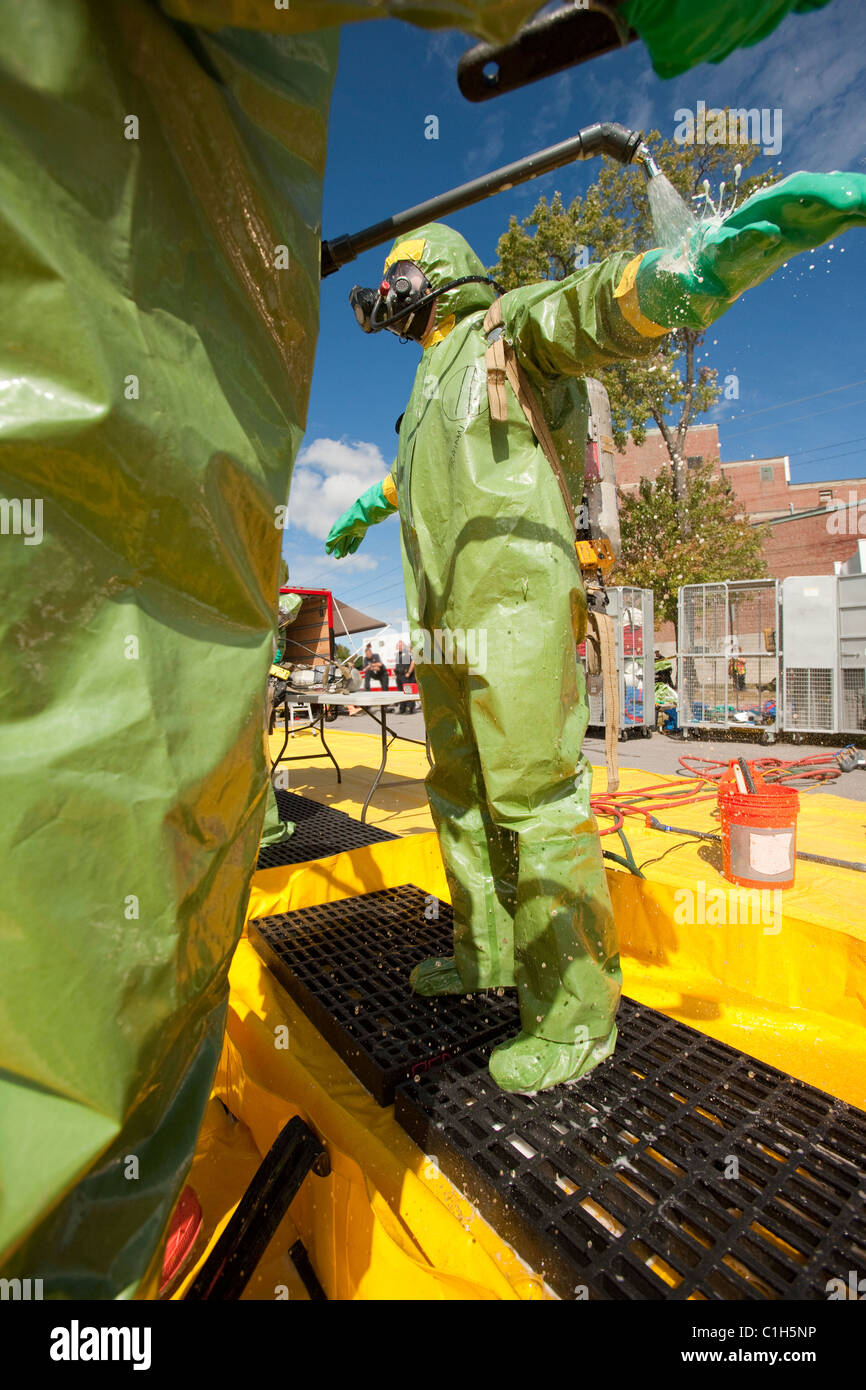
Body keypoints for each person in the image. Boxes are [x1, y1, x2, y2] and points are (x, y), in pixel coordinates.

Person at [326, 179, 866, 1094]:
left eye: (398, 275)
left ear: (442, 275)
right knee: (456, 787)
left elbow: (596, 305)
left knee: (535, 796)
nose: (388, 294)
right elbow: (413, 475)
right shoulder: (421, 393)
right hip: (443, 623)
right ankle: (487, 951)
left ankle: (575, 1015)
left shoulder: (508, 330)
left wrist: (697, 267)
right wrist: (367, 507)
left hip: (517, 606)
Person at [394, 641, 416, 713]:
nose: (399, 647)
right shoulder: (398, 654)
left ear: (404, 646)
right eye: (398, 646)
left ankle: (410, 708)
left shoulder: (407, 653)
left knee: (407, 692)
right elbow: (398, 665)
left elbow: (413, 662)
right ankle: (402, 708)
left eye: (401, 646)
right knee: (400, 693)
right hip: (399, 676)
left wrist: (408, 673)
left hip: (405, 676)